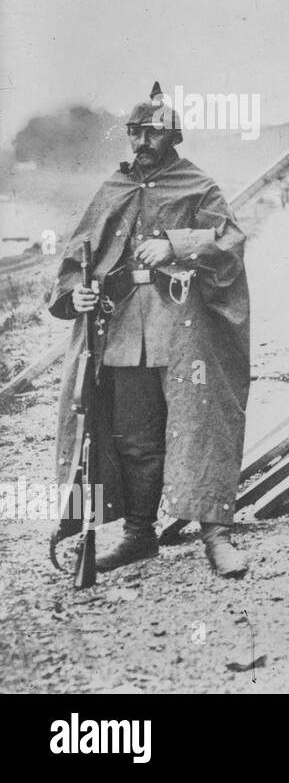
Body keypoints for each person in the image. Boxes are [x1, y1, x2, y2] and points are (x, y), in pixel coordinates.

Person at [48, 82, 250, 578]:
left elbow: (230, 240)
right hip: (123, 331)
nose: (142, 141)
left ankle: (215, 538)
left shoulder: (197, 186)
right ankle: (139, 536)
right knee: (135, 439)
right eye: (135, 132)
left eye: (152, 133)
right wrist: (79, 294)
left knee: (199, 427)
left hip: (185, 330)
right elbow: (78, 256)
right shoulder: (112, 190)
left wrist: (176, 246)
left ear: (172, 136)